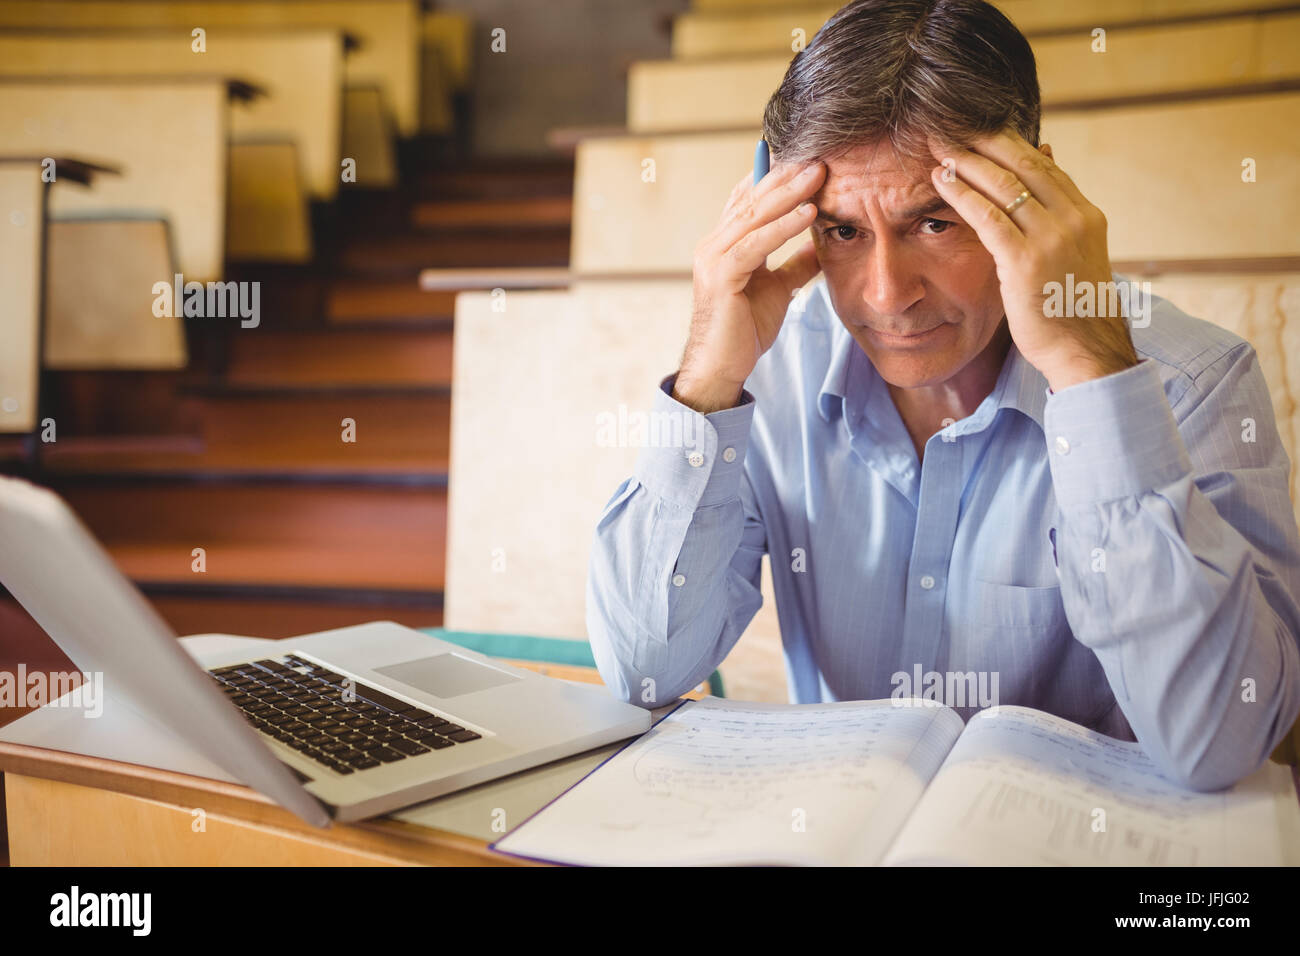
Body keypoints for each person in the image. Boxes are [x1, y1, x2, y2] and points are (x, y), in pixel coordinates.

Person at [585, 0, 1300, 791]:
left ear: (1037, 191)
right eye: (842, 232)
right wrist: (706, 388)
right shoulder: (767, 371)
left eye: (934, 221)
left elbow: (1219, 743)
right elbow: (644, 668)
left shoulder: (1190, 385)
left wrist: (1092, 376)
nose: (887, 297)